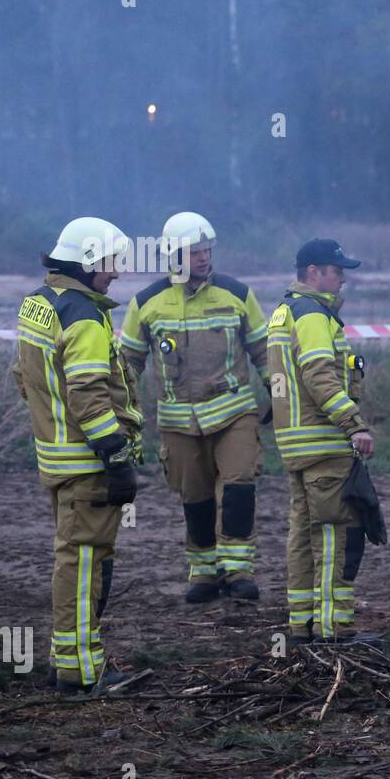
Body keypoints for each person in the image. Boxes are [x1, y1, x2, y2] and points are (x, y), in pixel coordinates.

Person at [11, 217, 144, 694]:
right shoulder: (84, 317)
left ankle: (65, 660)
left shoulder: (40, 306)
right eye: (111, 263)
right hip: (88, 466)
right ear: (88, 262)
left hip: (57, 460)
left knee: (73, 558)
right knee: (85, 562)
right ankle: (80, 672)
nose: (117, 273)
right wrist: (116, 456)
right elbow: (88, 395)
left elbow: (23, 378)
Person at [119, 212, 270, 602]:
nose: (203, 258)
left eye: (207, 250)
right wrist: (118, 411)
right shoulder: (146, 303)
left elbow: (265, 352)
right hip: (178, 422)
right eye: (194, 252)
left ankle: (238, 570)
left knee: (238, 488)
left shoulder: (237, 294)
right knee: (196, 497)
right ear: (173, 255)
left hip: (234, 411)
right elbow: (128, 365)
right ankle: (203, 574)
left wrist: (279, 393)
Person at [267, 238, 378, 645]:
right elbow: (318, 375)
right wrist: (354, 425)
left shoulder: (283, 312)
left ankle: (302, 623)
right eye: (336, 271)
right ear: (313, 272)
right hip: (325, 444)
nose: (343, 278)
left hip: (296, 445)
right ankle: (334, 628)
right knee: (335, 533)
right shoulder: (313, 314)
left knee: (302, 535)